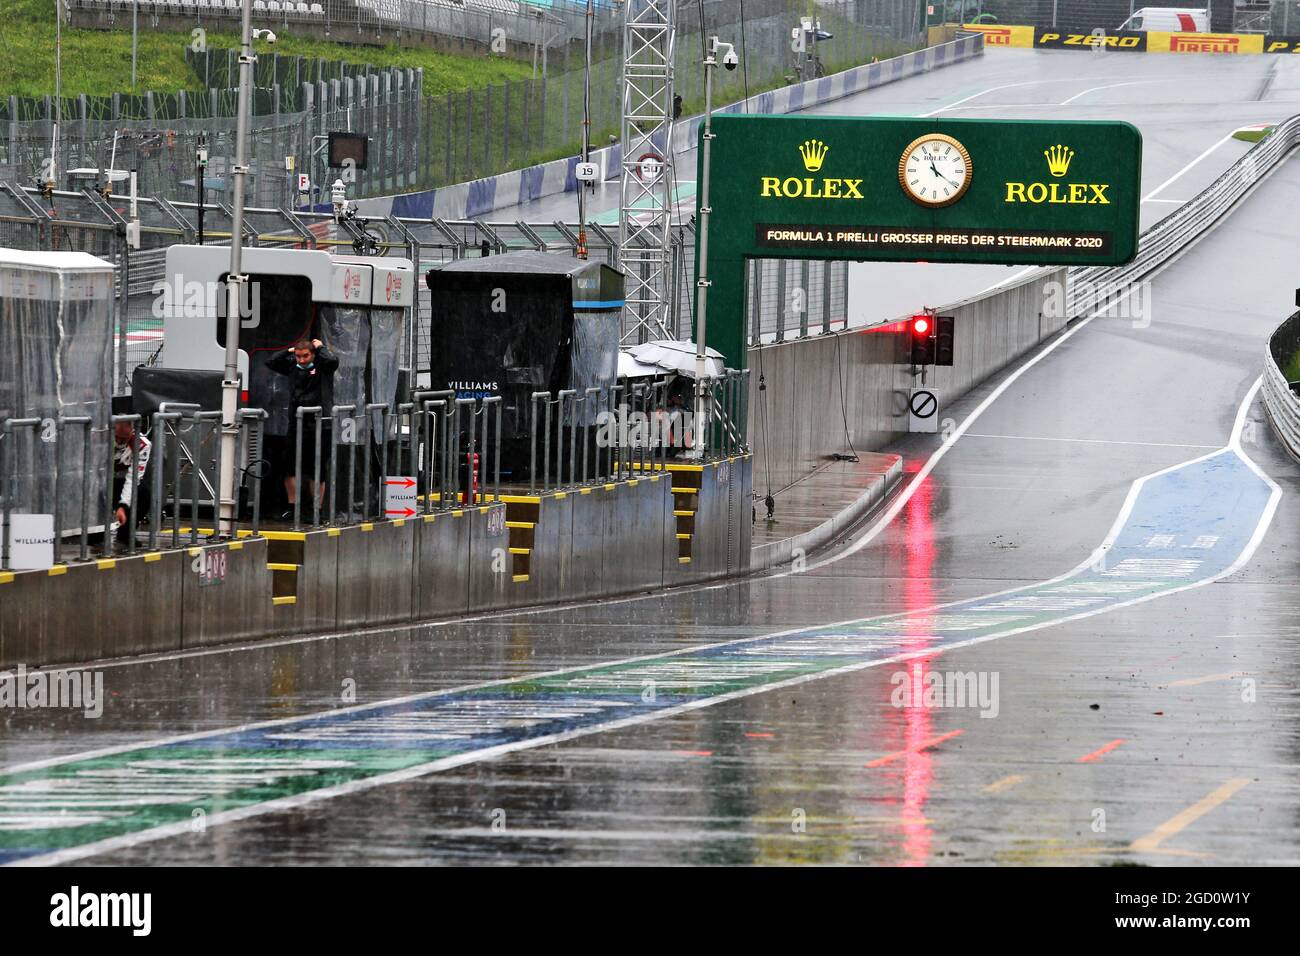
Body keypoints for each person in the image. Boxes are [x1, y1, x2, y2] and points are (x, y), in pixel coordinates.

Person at [266, 338, 339, 519]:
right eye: (299, 356)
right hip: (296, 422)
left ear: (312, 354)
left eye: (305, 356)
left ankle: (316, 509)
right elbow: (271, 362)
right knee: (290, 466)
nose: (302, 360)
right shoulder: (293, 366)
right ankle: (292, 506)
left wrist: (320, 347)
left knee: (318, 468)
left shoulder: (323, 366)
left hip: (320, 423)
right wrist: (289, 351)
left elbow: (332, 361)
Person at [112, 419, 152, 544]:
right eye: (117, 437)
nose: (119, 442)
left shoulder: (142, 445)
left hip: (121, 481)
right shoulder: (100, 438)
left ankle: (125, 533)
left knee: (144, 494)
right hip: (99, 481)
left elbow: (133, 478)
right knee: (94, 539)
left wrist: (122, 505)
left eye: (123, 439)